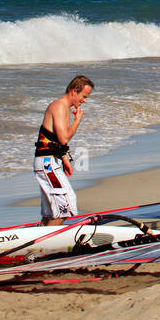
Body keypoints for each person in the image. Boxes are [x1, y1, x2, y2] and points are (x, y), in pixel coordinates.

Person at [34, 76, 92, 224]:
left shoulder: (63, 108)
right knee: (66, 206)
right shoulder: (59, 106)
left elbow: (54, 140)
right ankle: (44, 242)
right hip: (47, 163)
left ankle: (37, 239)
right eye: (84, 96)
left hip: (50, 161)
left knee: (53, 211)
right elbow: (64, 138)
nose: (85, 100)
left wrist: (65, 159)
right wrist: (77, 121)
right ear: (74, 91)